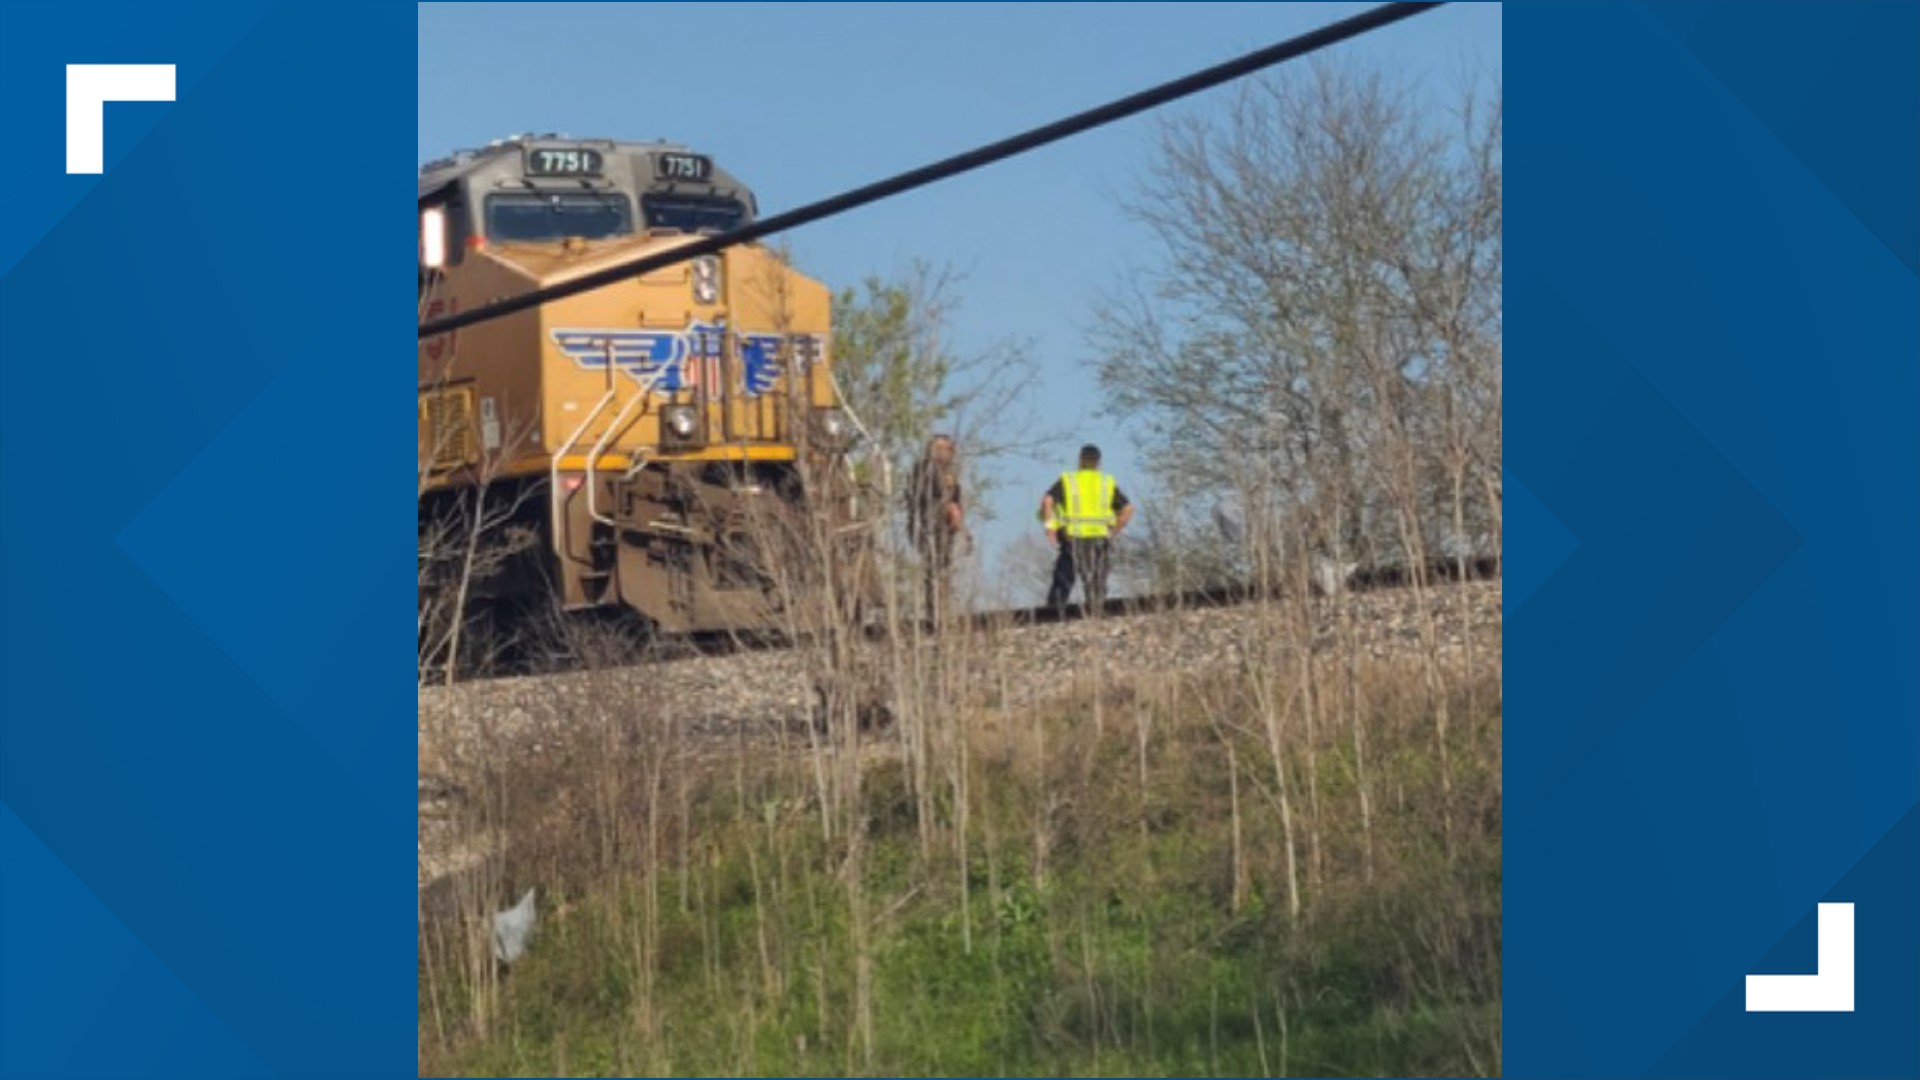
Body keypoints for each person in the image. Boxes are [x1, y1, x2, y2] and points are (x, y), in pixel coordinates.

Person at [1040, 444, 1132, 614]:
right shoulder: (1106, 482)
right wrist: (1113, 532)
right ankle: (1096, 614)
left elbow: (1047, 501)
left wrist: (1050, 528)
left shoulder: (1069, 480)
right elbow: (1127, 509)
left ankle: (1052, 616)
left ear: (1080, 460)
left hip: (1072, 539)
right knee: (1097, 583)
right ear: (1098, 462)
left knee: (1063, 581)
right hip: (1099, 540)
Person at [906, 434, 970, 621]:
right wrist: (950, 510)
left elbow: (955, 500)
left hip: (945, 526)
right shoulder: (926, 468)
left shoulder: (949, 472)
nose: (952, 453)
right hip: (930, 525)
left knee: (943, 566)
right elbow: (939, 497)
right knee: (934, 566)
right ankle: (935, 611)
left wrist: (961, 527)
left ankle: (942, 608)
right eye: (948, 449)